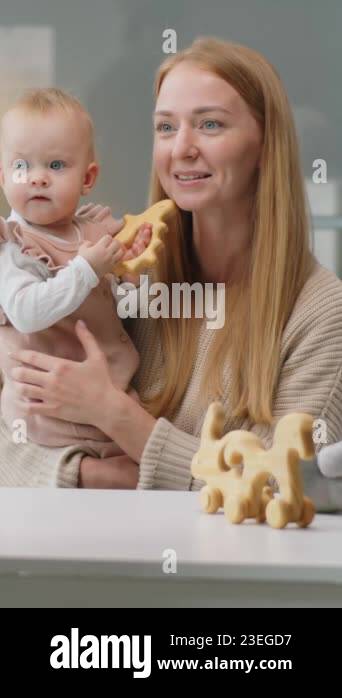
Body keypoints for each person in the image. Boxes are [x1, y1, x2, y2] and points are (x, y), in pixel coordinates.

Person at [1, 38, 342, 511]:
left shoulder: (323, 313)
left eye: (210, 124)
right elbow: (10, 438)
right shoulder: (122, 282)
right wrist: (90, 475)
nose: (182, 148)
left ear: (266, 145)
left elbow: (283, 487)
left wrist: (115, 414)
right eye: (166, 127)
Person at [0, 88, 152, 468]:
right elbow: (26, 312)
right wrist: (85, 270)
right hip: (49, 420)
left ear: (88, 178)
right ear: (3, 177)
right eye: (23, 167)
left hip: (112, 410)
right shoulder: (12, 247)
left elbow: (111, 310)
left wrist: (126, 276)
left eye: (55, 166)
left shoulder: (92, 232)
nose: (37, 179)